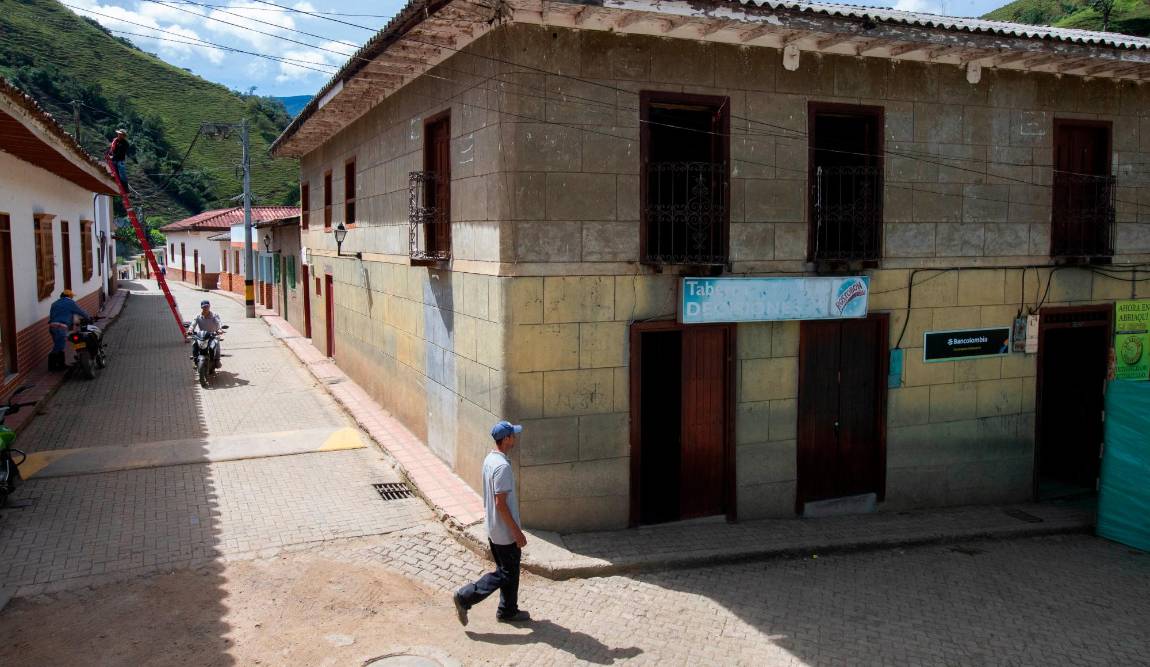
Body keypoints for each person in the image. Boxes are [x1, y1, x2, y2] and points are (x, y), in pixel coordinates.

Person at [453, 420, 529, 625]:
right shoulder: (502, 466)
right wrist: (517, 533)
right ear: (506, 439)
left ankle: (508, 610)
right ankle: (465, 596)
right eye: (513, 435)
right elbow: (500, 503)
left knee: (509, 572)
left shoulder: (490, 460)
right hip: (504, 533)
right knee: (505, 574)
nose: (515, 437)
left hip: (493, 529)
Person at [48, 289, 90, 371]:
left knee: (59, 345)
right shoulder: (70, 303)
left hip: (52, 327)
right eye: (72, 296)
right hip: (61, 327)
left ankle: (60, 364)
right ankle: (53, 367)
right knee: (58, 346)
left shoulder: (54, 304)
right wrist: (88, 318)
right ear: (70, 296)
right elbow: (81, 312)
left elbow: (53, 315)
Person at [189, 300, 222, 368]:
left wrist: (219, 329)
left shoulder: (214, 315)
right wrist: (190, 330)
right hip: (202, 336)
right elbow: (193, 324)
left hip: (213, 335)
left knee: (216, 344)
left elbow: (218, 322)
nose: (205, 308)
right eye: (204, 307)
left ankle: (217, 360)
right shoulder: (198, 316)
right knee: (194, 344)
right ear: (201, 307)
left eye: (207, 306)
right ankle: (195, 360)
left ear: (209, 306)